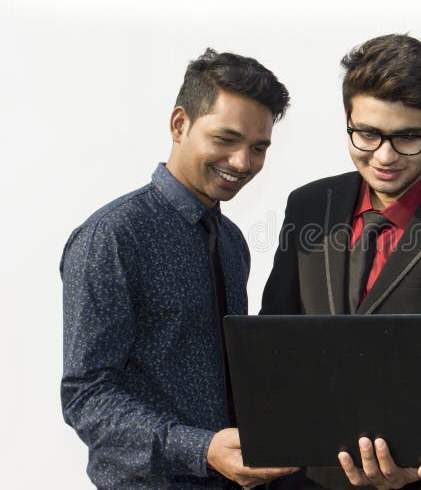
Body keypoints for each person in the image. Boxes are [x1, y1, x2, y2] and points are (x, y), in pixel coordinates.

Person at [261, 34, 421, 490]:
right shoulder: (307, 206)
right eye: (367, 134)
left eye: (407, 138)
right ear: (347, 118)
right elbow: (272, 342)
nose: (384, 156)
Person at [60, 49, 298, 489]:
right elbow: (86, 396)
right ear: (179, 124)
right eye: (225, 139)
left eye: (258, 147)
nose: (243, 162)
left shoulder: (231, 242)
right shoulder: (111, 237)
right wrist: (200, 449)